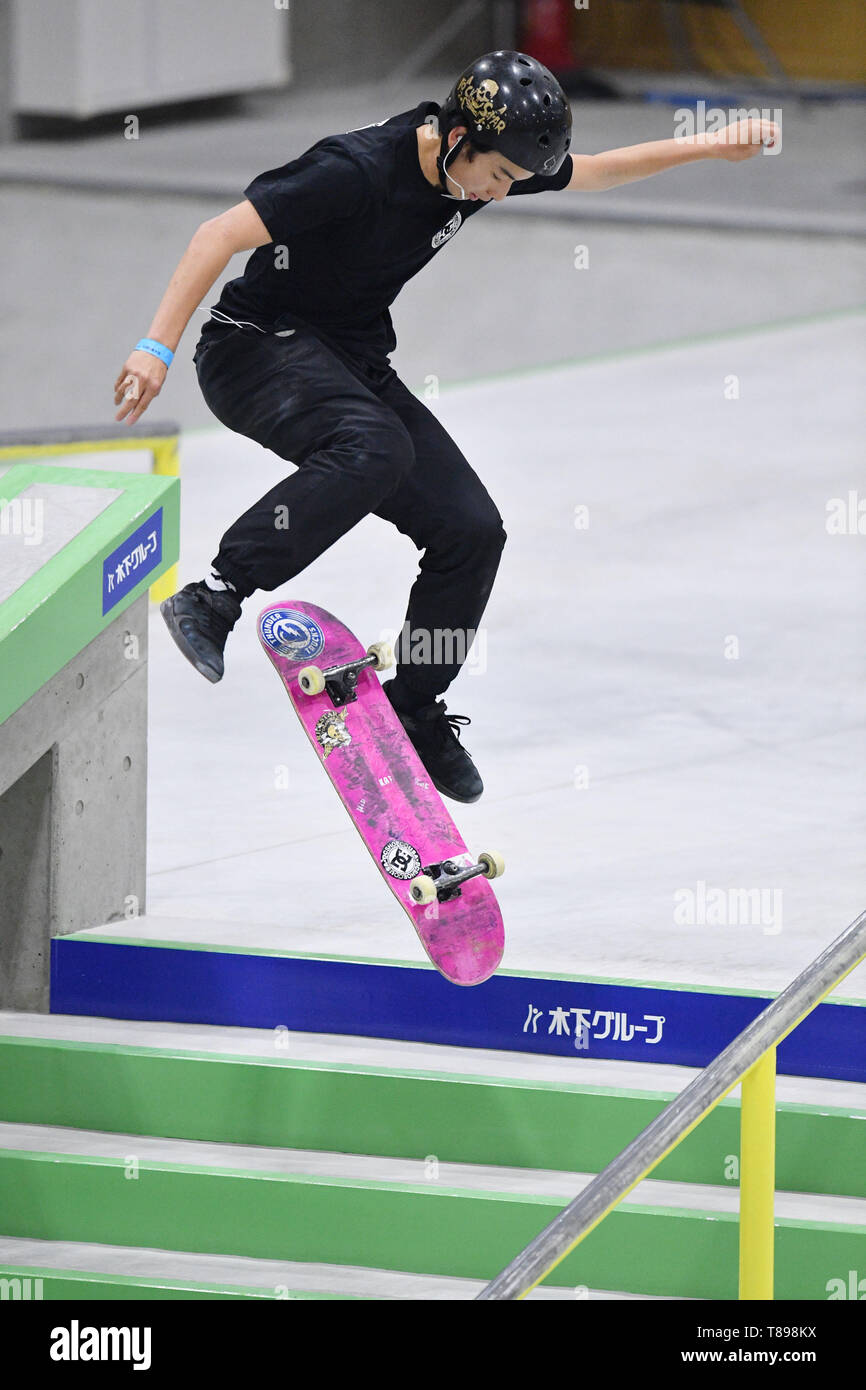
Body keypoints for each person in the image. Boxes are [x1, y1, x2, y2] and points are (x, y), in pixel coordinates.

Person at [114, 49, 777, 803]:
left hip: (350, 359)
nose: (498, 195)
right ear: (457, 137)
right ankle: (216, 593)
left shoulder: (483, 160)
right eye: (497, 177)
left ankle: (416, 707)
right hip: (253, 348)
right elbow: (217, 235)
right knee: (376, 448)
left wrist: (712, 144)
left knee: (471, 528)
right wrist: (153, 348)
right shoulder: (355, 169)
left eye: (514, 185)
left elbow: (595, 170)